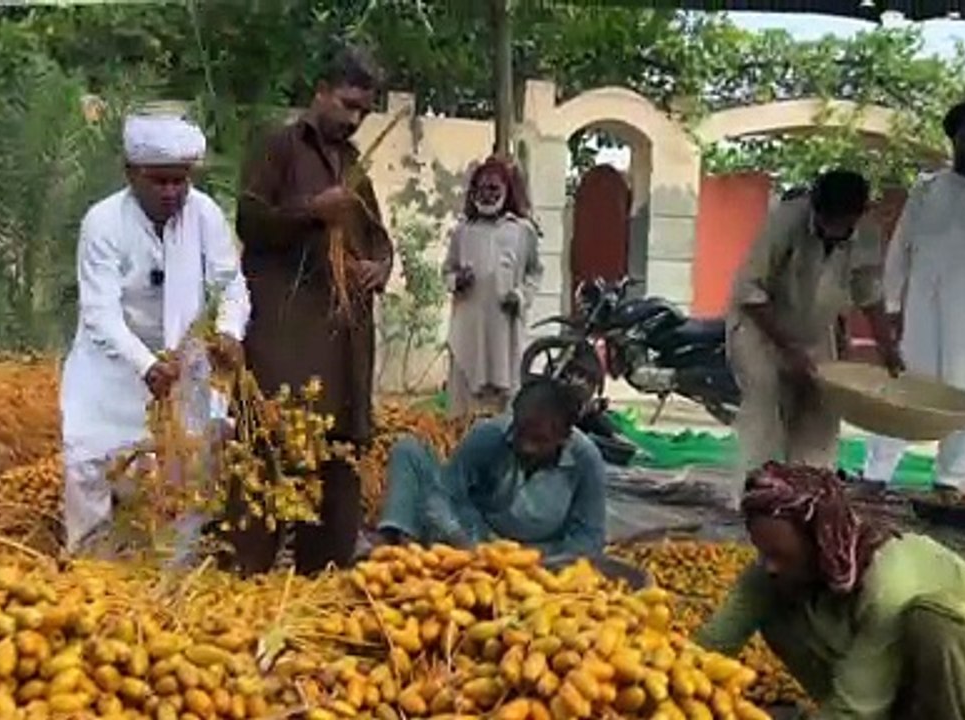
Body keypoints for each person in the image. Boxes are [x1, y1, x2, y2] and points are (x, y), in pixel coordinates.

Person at [233, 45, 392, 575]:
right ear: (321, 90)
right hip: (288, 335)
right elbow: (250, 224)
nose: (354, 120)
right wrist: (309, 213)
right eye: (347, 105)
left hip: (343, 342)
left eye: (364, 113)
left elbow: (378, 238)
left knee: (337, 457)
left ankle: (321, 580)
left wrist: (379, 267)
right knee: (274, 448)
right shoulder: (278, 148)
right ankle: (247, 580)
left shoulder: (353, 167)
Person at [60, 114, 249, 557]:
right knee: (92, 463)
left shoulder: (205, 215)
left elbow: (230, 282)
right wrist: (145, 365)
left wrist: (228, 331)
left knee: (188, 467)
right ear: (131, 175)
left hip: (185, 364)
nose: (171, 192)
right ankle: (91, 571)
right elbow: (99, 312)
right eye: (159, 181)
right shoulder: (103, 222)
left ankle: (174, 574)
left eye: (180, 181)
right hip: (112, 368)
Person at [696, 463, 965, 719]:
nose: (769, 566)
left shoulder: (884, 585)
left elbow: (856, 707)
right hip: (885, 681)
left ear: (820, 545)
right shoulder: (773, 571)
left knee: (935, 620)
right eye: (763, 552)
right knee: (769, 598)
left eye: (782, 555)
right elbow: (709, 648)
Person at [727, 170, 902, 473]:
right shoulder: (785, 222)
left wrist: (887, 348)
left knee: (821, 409)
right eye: (827, 220)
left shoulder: (868, 234)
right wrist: (788, 348)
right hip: (760, 329)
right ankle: (759, 491)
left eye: (843, 223)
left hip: (815, 332)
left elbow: (868, 293)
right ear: (815, 208)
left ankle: (809, 487)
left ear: (858, 216)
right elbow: (749, 289)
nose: (834, 230)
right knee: (767, 406)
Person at [865, 98, 965, 496]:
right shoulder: (927, 188)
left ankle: (953, 483)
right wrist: (894, 308)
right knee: (904, 392)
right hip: (922, 314)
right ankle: (875, 475)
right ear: (954, 138)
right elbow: (900, 250)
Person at [375, 378, 606, 561]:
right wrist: (463, 542)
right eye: (520, 433)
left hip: (539, 555)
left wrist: (533, 564)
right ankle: (395, 545)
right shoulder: (490, 435)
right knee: (408, 450)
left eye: (539, 440)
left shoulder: (586, 461)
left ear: (563, 437)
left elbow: (589, 539)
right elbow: (444, 493)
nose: (525, 446)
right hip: (477, 537)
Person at [444, 156, 543, 418]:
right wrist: (457, 281)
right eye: (481, 189)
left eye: (494, 189)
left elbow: (534, 272)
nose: (486, 195)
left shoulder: (522, 231)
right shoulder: (463, 231)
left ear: (507, 192)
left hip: (505, 328)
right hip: (469, 326)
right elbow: (447, 271)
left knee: (505, 396)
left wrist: (521, 297)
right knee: (463, 399)